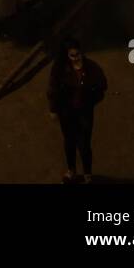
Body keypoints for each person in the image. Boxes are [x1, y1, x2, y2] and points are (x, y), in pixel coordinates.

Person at [47, 38, 107, 183]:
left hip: (84, 113)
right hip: (66, 113)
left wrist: (90, 102)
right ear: (67, 55)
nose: (75, 58)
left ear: (81, 52)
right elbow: (52, 90)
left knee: (84, 144)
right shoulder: (60, 69)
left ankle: (87, 174)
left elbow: (102, 86)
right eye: (72, 55)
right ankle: (72, 171)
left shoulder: (92, 68)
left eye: (77, 54)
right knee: (69, 142)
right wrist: (54, 109)